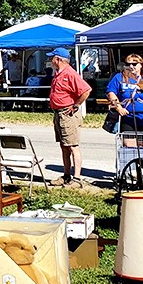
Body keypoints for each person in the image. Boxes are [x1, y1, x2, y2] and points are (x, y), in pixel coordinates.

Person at [47, 48, 92, 188]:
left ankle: (77, 178)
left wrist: (76, 105)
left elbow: (86, 90)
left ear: (58, 59)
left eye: (52, 58)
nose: (50, 60)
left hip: (68, 114)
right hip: (58, 113)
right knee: (63, 145)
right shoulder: (58, 74)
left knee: (73, 146)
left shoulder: (70, 74)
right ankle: (66, 175)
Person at [106, 53, 143, 133]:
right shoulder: (119, 77)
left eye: (134, 64)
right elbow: (111, 93)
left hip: (141, 117)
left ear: (140, 65)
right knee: (128, 144)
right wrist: (118, 108)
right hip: (127, 118)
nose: (131, 66)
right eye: (128, 64)